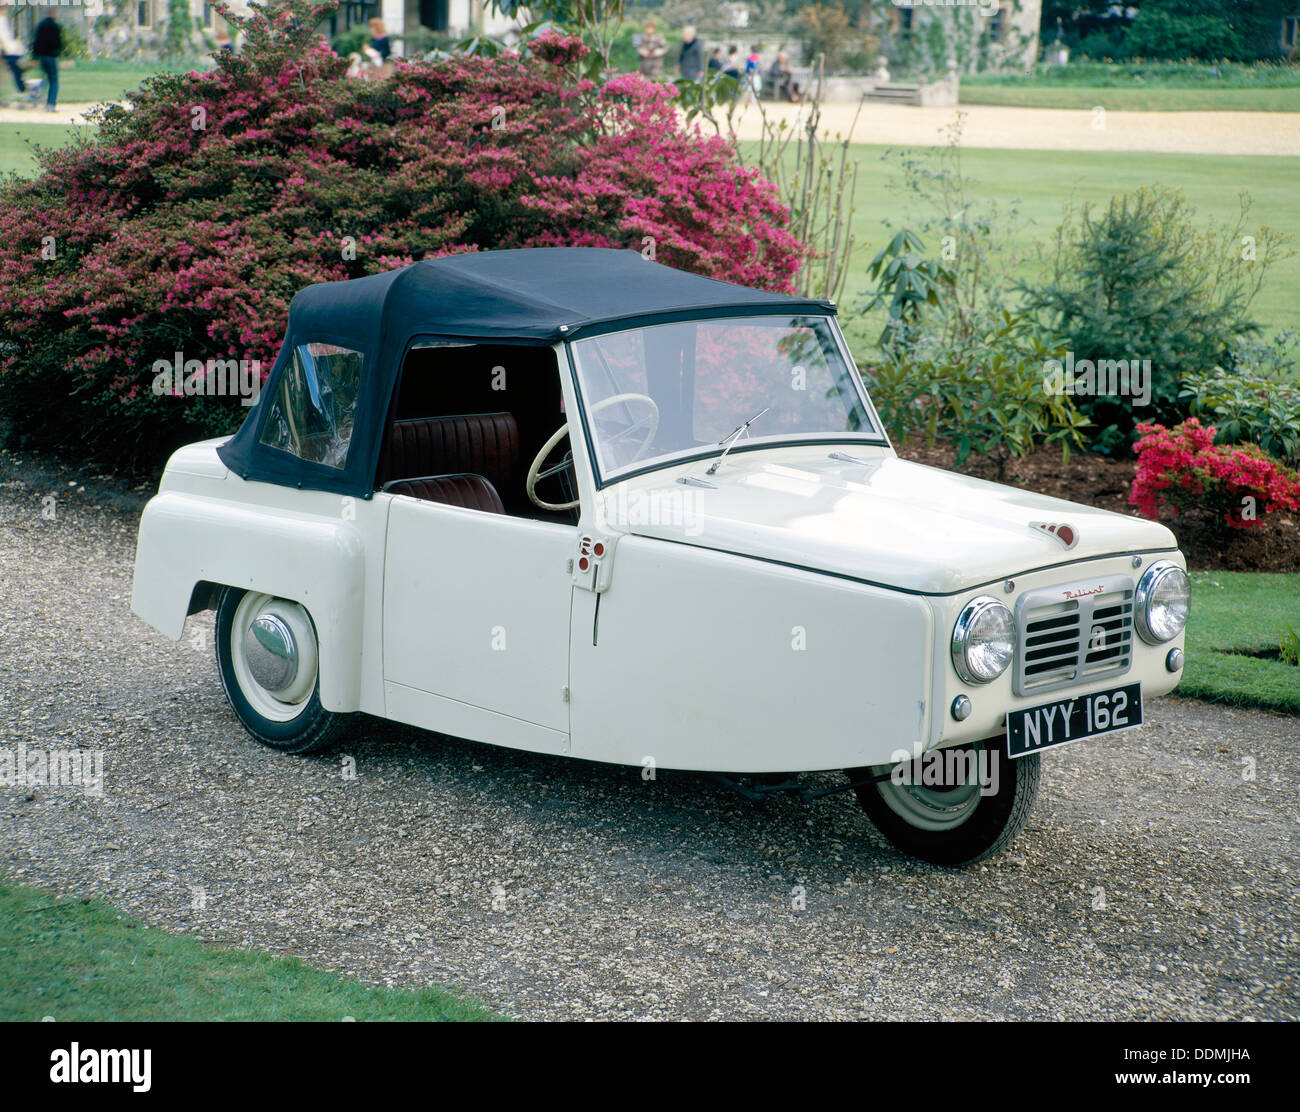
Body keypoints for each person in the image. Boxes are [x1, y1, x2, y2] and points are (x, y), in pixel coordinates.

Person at [32, 7, 60, 110]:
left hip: (42, 57)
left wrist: (34, 56)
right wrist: (57, 52)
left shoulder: (41, 25)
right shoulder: (54, 26)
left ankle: (34, 96)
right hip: (51, 56)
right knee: (54, 81)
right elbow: (57, 43)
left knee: (44, 78)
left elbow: (36, 42)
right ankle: (50, 104)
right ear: (53, 13)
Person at [0, 3, 25, 99]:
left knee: (12, 71)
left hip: (8, 51)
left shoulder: (4, 20)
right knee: (14, 70)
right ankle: (22, 89)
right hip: (7, 51)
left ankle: (22, 88)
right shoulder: (2, 20)